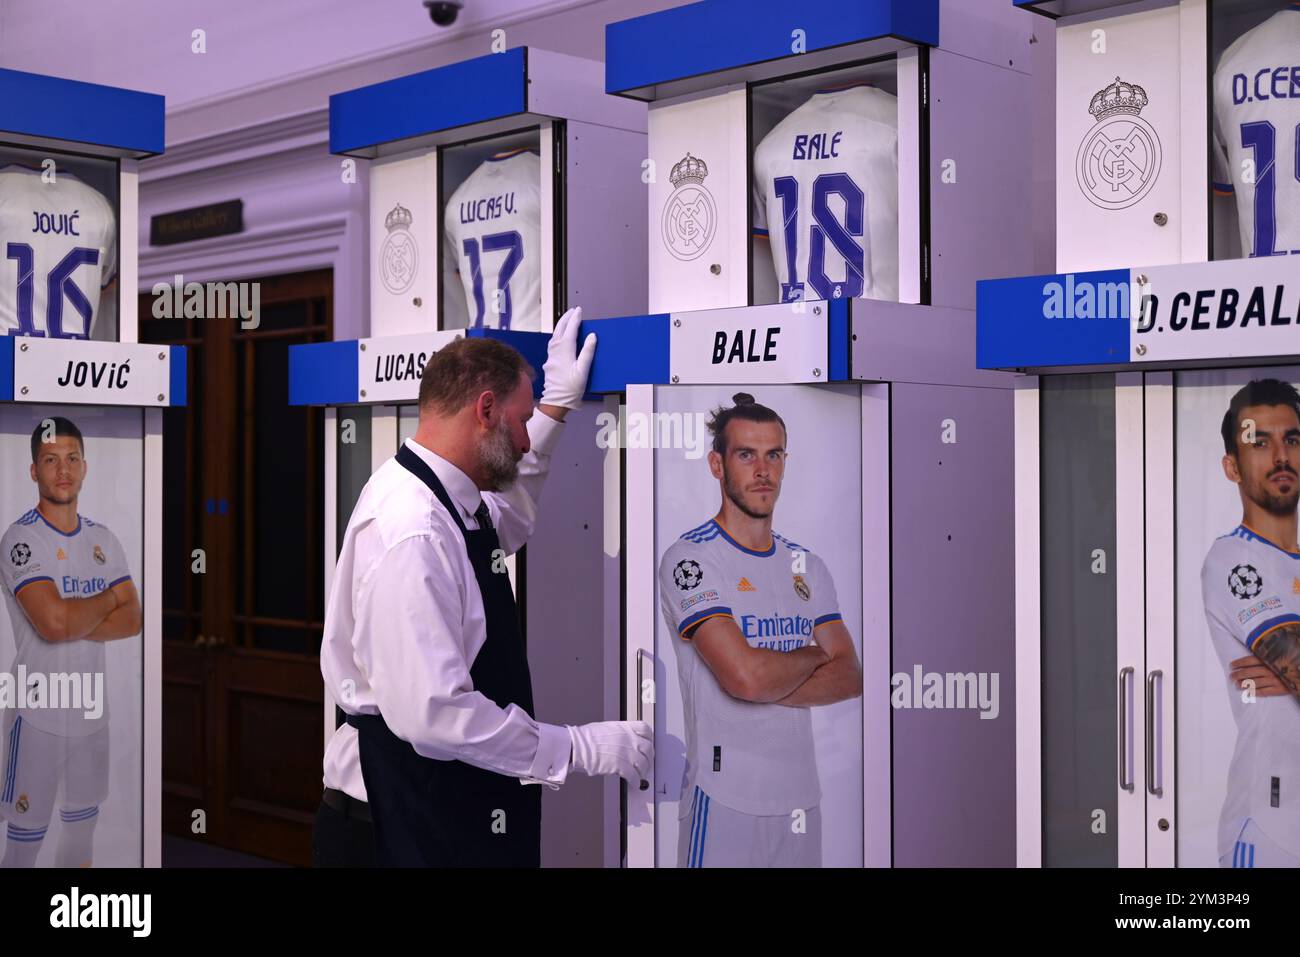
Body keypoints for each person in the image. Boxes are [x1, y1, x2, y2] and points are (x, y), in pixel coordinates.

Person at [318, 307, 652, 866]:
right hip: (395, 826)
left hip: (440, 806)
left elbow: (506, 518)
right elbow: (436, 715)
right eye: (520, 421)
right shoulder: (414, 530)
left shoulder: (446, 499)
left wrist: (554, 408)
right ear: (486, 409)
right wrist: (577, 748)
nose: (525, 442)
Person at [657, 393, 861, 867]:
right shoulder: (691, 559)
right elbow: (743, 678)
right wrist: (812, 654)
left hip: (799, 801)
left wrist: (766, 676)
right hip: (725, 798)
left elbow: (850, 675)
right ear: (717, 464)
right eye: (746, 455)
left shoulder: (805, 564)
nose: (762, 470)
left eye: (774, 455)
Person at [0, 416, 141, 867]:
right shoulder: (21, 539)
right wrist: (105, 600)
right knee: (24, 848)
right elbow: (53, 624)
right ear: (33, 471)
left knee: (81, 840)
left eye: (72, 459)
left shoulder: (103, 539)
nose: (63, 470)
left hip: (90, 718)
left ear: (84, 466)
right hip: (36, 717)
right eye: (50, 460)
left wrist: (69, 615)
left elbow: (133, 619)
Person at [1201, 378, 1300, 867]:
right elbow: (1296, 664)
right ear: (1231, 467)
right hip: (1270, 830)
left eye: (1292, 439)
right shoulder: (1233, 560)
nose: (1280, 455)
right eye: (1258, 441)